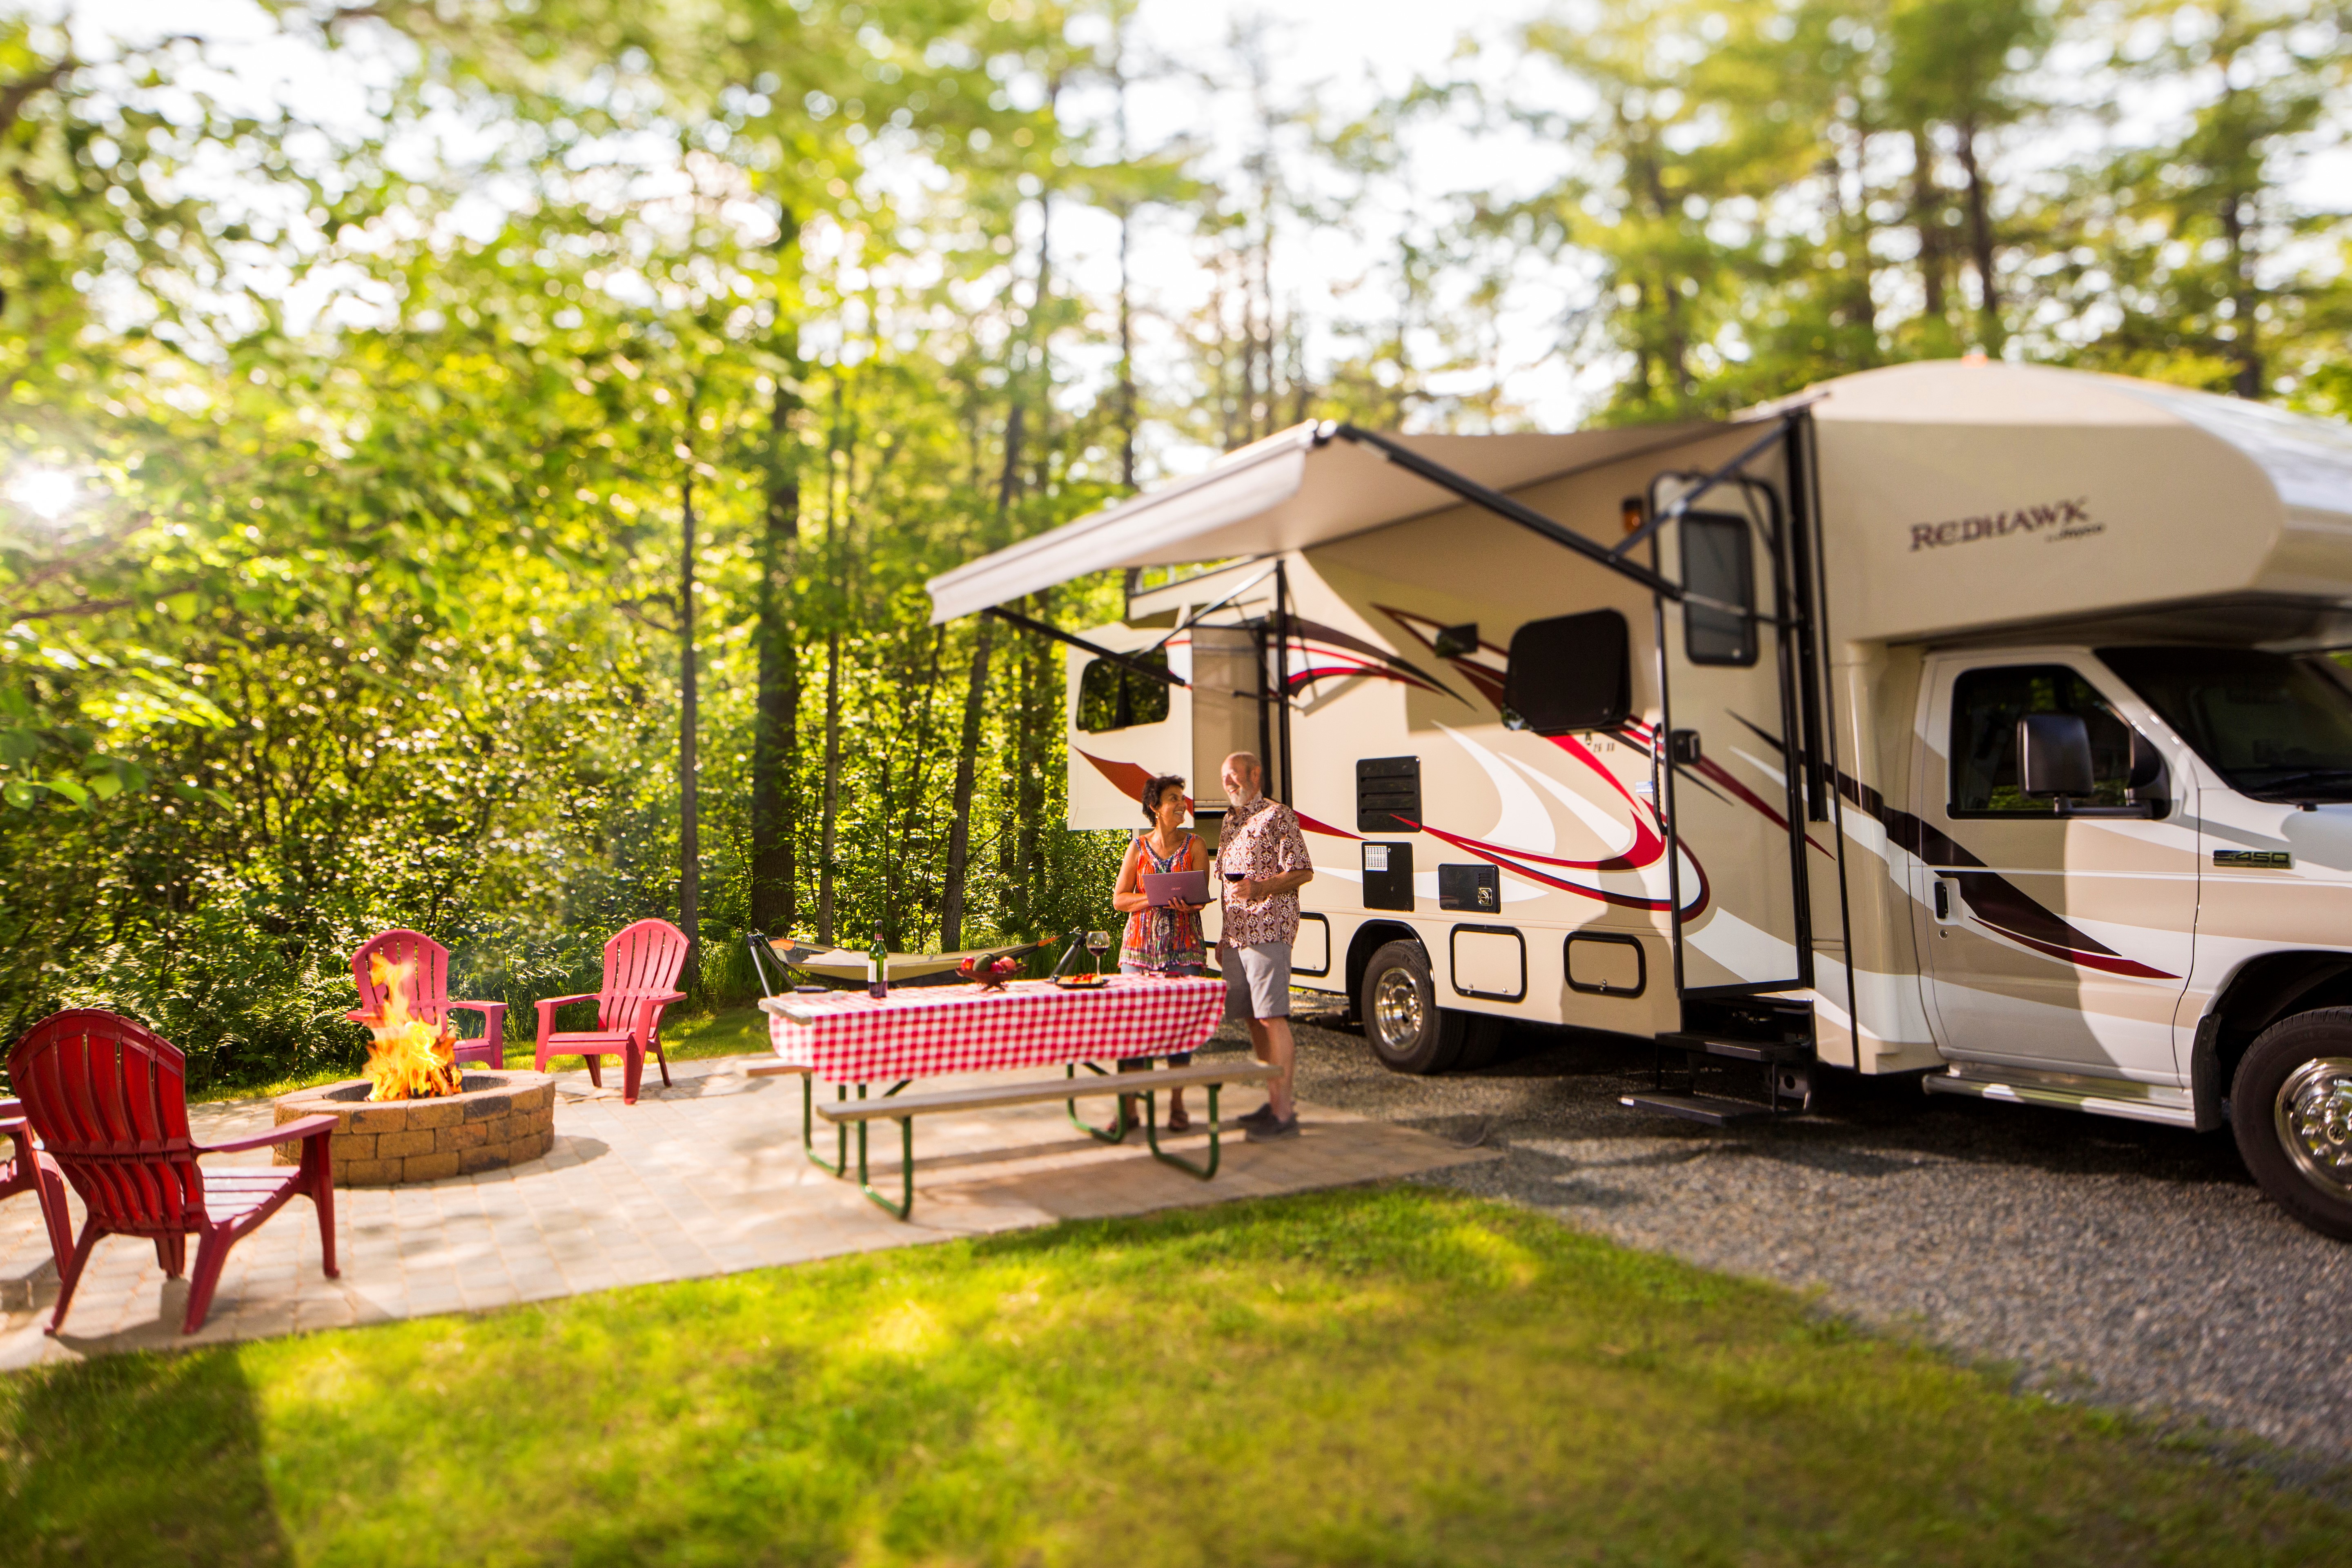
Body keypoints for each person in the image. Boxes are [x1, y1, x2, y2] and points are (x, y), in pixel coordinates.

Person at [1213, 750, 1313, 1140]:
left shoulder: (1278, 815)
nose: (1229, 784)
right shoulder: (1229, 821)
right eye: (1225, 778)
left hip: (1269, 931)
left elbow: (1303, 870)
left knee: (1273, 1017)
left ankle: (1285, 1114)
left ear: (1256, 774)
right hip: (1237, 937)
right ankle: (1272, 1101)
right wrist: (1224, 935)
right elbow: (1226, 888)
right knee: (1254, 1019)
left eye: (1235, 775)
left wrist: (1260, 888)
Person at [1109, 773, 1208, 1130]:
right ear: (1155, 807)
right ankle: (1130, 1110)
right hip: (1139, 952)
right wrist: (1153, 898)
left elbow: (1200, 899)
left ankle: (1178, 1106)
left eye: (1183, 797)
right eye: (1174, 799)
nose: (1183, 804)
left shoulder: (1195, 845)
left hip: (1185, 949)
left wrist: (1188, 904)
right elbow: (1119, 900)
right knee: (1132, 1031)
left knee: (1181, 1030)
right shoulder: (1137, 848)